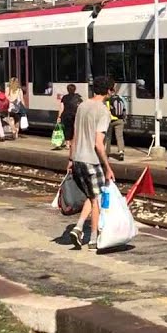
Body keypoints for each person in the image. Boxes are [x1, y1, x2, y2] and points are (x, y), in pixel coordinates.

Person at [66, 75, 116, 250]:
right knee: (97, 199)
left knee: (91, 195)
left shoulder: (82, 106)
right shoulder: (103, 111)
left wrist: (71, 159)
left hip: (78, 158)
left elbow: (74, 134)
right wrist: (107, 167)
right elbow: (98, 144)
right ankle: (94, 239)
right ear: (109, 90)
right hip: (91, 161)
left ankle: (79, 227)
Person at [104, 82, 127, 161]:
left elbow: (105, 111)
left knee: (108, 138)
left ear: (109, 92)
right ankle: (121, 152)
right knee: (119, 137)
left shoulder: (107, 100)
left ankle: (106, 153)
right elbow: (124, 109)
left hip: (110, 121)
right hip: (120, 120)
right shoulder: (121, 99)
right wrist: (124, 118)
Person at [57, 84, 81, 151]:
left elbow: (61, 107)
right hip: (75, 116)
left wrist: (59, 116)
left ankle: (67, 144)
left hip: (66, 115)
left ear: (67, 90)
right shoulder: (78, 97)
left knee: (67, 130)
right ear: (75, 89)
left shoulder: (64, 97)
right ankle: (73, 143)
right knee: (74, 129)